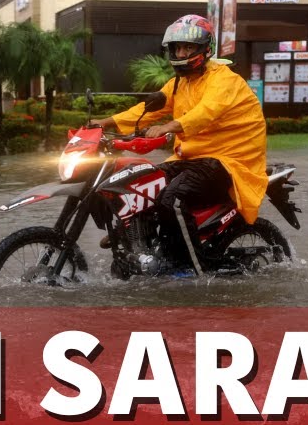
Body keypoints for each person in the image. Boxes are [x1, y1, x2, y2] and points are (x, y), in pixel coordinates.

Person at [89, 14, 267, 268]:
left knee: (171, 200)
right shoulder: (178, 84)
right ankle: (137, 238)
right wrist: (105, 123)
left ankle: (189, 265)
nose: (181, 53)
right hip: (191, 158)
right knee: (141, 183)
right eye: (177, 47)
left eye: (188, 47)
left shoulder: (225, 80)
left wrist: (169, 127)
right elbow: (147, 109)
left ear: (205, 49)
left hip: (227, 161)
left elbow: (207, 112)